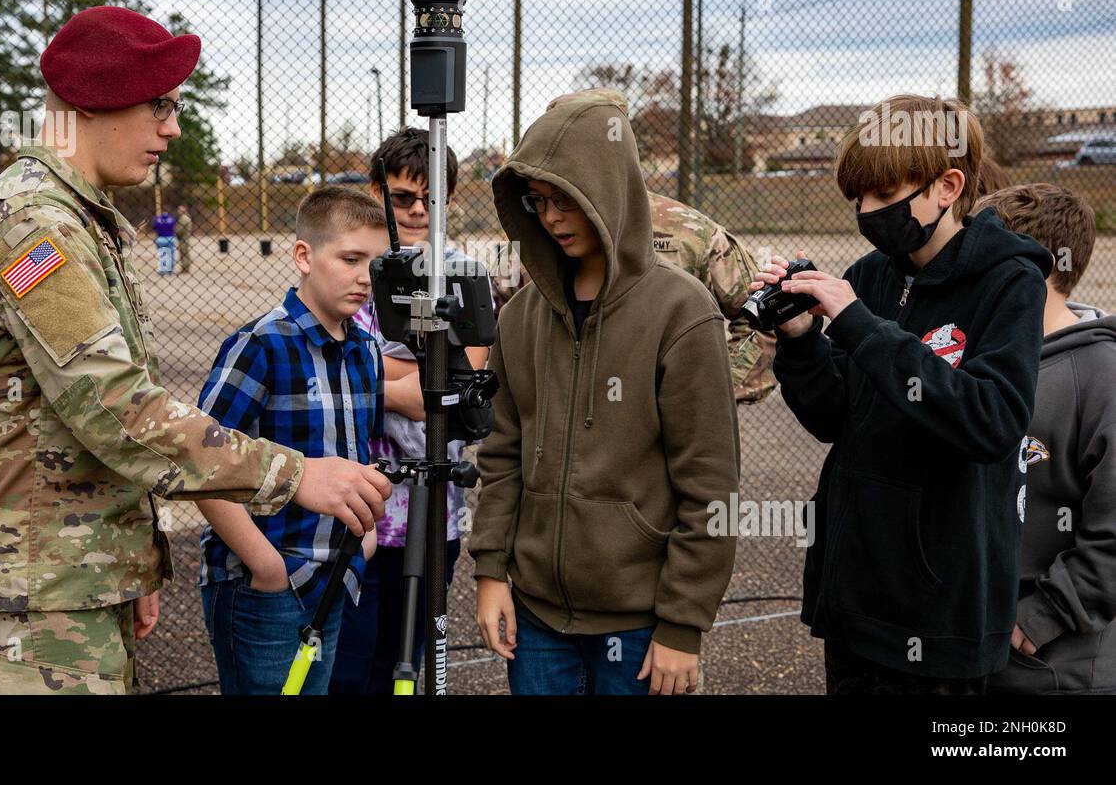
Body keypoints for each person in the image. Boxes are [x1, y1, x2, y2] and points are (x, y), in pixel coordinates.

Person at [0, 6, 390, 695]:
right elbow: (114, 408)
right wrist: (295, 476)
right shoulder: (31, 227)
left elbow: (79, 423)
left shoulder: (78, 220)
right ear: (95, 101)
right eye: (160, 105)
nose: (172, 128)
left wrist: (125, 561)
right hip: (30, 591)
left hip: (72, 578)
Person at [755, 94, 1051, 693]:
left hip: (940, 615)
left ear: (948, 185)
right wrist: (802, 337)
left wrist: (862, 327)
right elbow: (833, 417)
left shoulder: (1010, 282)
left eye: (885, 195)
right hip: (858, 603)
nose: (867, 211)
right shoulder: (872, 275)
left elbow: (992, 422)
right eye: (859, 197)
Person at [471, 89, 741, 695]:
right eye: (539, 202)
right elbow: (502, 456)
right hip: (536, 619)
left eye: (567, 200)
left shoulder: (682, 313)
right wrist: (491, 572)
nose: (551, 218)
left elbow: (710, 486)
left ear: (609, 191)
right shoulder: (519, 317)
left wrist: (683, 624)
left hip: (644, 626)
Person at [196, 187, 389, 694]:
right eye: (350, 258)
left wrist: (363, 540)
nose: (366, 277)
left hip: (334, 578)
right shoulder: (261, 345)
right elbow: (202, 462)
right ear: (303, 256)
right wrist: (267, 566)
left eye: (376, 262)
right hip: (265, 588)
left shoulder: (366, 351)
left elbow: (359, 454)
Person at [327, 128, 489, 695]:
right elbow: (330, 369)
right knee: (346, 666)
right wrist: (400, 380)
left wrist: (370, 373)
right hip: (354, 509)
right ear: (376, 192)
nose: (419, 211)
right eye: (402, 198)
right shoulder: (350, 271)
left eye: (433, 199)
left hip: (429, 512)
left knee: (403, 666)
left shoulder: (466, 277)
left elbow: (454, 389)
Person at [492, 88, 777, 404]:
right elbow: (494, 336)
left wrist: (695, 393)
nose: (551, 216)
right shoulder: (533, 239)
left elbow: (762, 321)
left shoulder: (690, 233)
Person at [974, 183, 1116, 694]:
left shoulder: (1102, 375)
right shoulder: (981, 362)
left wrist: (1040, 619)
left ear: (1040, 269)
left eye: (983, 258)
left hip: (1055, 670)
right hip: (975, 653)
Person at [152, 209, 177, 274]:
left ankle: (162, 270)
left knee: (163, 254)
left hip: (161, 238)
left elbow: (154, 228)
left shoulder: (157, 219)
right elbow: (174, 227)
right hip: (170, 238)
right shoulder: (172, 218)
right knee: (171, 255)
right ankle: (171, 270)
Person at [175, 203, 193, 273]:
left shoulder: (183, 218)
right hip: (185, 238)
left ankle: (185, 268)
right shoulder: (186, 217)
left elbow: (180, 230)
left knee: (184, 253)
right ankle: (185, 267)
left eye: (179, 210)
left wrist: (175, 232)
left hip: (183, 238)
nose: (178, 211)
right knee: (185, 253)